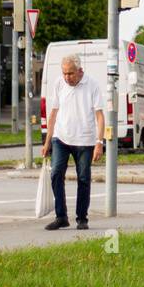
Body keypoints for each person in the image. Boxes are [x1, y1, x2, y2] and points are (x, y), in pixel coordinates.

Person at [41, 55, 104, 230]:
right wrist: (47, 142)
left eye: (70, 73)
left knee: (83, 178)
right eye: (64, 73)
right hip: (61, 138)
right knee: (56, 174)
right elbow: (53, 113)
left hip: (85, 140)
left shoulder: (92, 85)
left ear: (79, 71)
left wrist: (99, 142)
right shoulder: (59, 84)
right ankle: (61, 216)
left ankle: (82, 218)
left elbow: (100, 116)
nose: (67, 77)